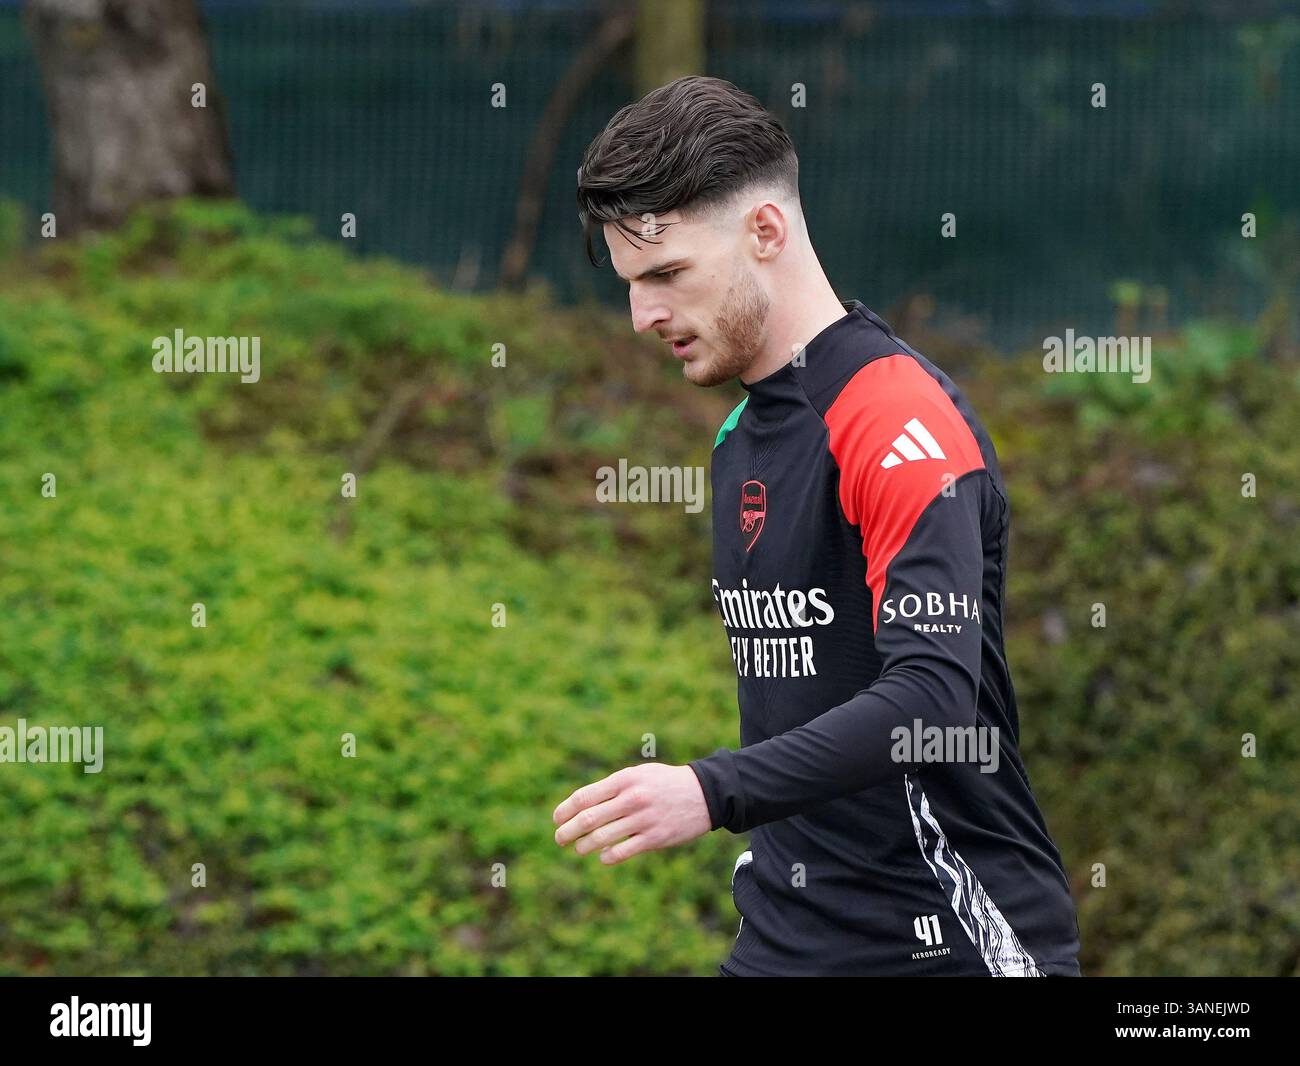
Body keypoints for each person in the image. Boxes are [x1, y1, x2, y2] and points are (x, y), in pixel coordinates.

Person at [554, 75, 1082, 977]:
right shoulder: (737, 438)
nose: (642, 316)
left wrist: (710, 791)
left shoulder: (893, 419)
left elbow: (931, 698)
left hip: (950, 940)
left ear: (766, 231)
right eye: (631, 284)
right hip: (786, 943)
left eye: (667, 275)